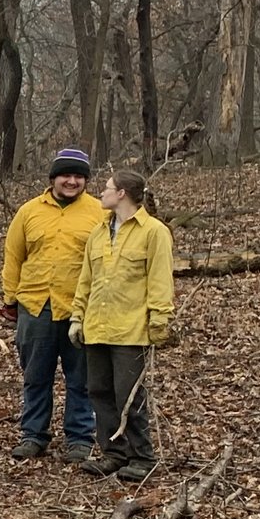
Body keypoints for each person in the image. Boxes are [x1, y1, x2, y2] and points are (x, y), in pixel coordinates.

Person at [0, 147, 105, 461]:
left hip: (81, 307)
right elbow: (13, 256)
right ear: (53, 178)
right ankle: (33, 435)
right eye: (65, 175)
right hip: (35, 305)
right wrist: (10, 299)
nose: (71, 181)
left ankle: (80, 439)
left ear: (85, 180)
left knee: (82, 378)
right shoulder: (29, 211)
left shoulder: (100, 212)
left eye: (78, 176)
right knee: (35, 376)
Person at [69, 171, 175, 483]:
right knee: (99, 392)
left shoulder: (154, 232)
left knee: (128, 396)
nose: (101, 193)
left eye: (107, 188)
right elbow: (86, 280)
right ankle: (113, 453)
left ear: (123, 194)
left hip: (131, 330)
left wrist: (160, 321)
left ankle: (142, 457)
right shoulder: (98, 233)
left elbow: (159, 281)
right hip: (97, 328)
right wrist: (78, 317)